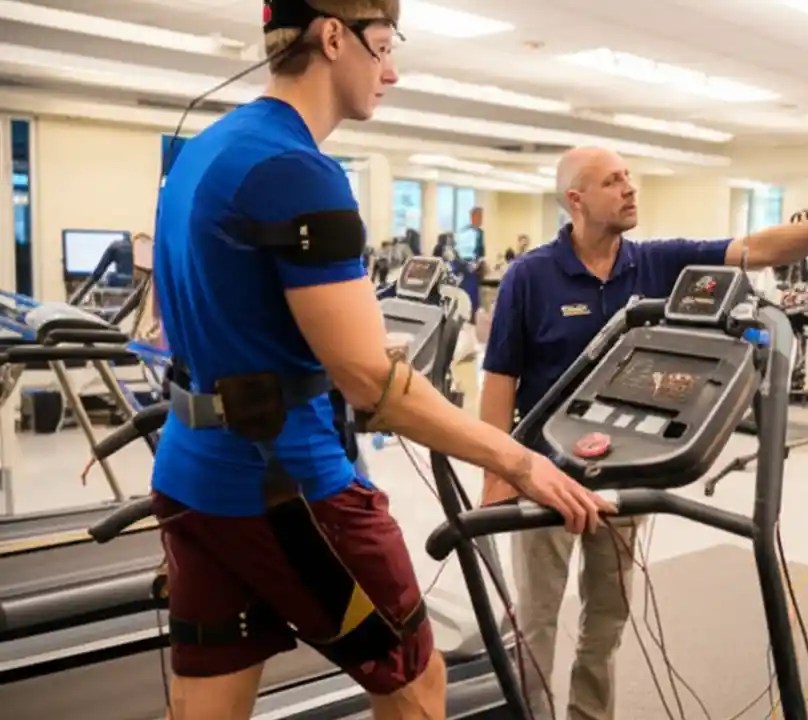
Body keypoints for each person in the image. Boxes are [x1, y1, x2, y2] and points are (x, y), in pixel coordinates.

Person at [149, 2, 613, 719]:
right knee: (413, 680)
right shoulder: (298, 170)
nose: (390, 71)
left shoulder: (201, 151)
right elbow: (373, 384)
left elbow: (207, 314)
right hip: (291, 487)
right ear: (334, 37)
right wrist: (520, 463)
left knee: (211, 692)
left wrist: (336, 347)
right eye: (383, 45)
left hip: (189, 474)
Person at [480, 145, 808, 720]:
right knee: (535, 619)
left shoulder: (658, 263)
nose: (629, 187)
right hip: (546, 469)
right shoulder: (530, 276)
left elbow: (760, 248)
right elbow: (500, 380)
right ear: (576, 199)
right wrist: (499, 474)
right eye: (612, 181)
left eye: (629, 176)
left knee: (607, 618)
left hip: (622, 470)